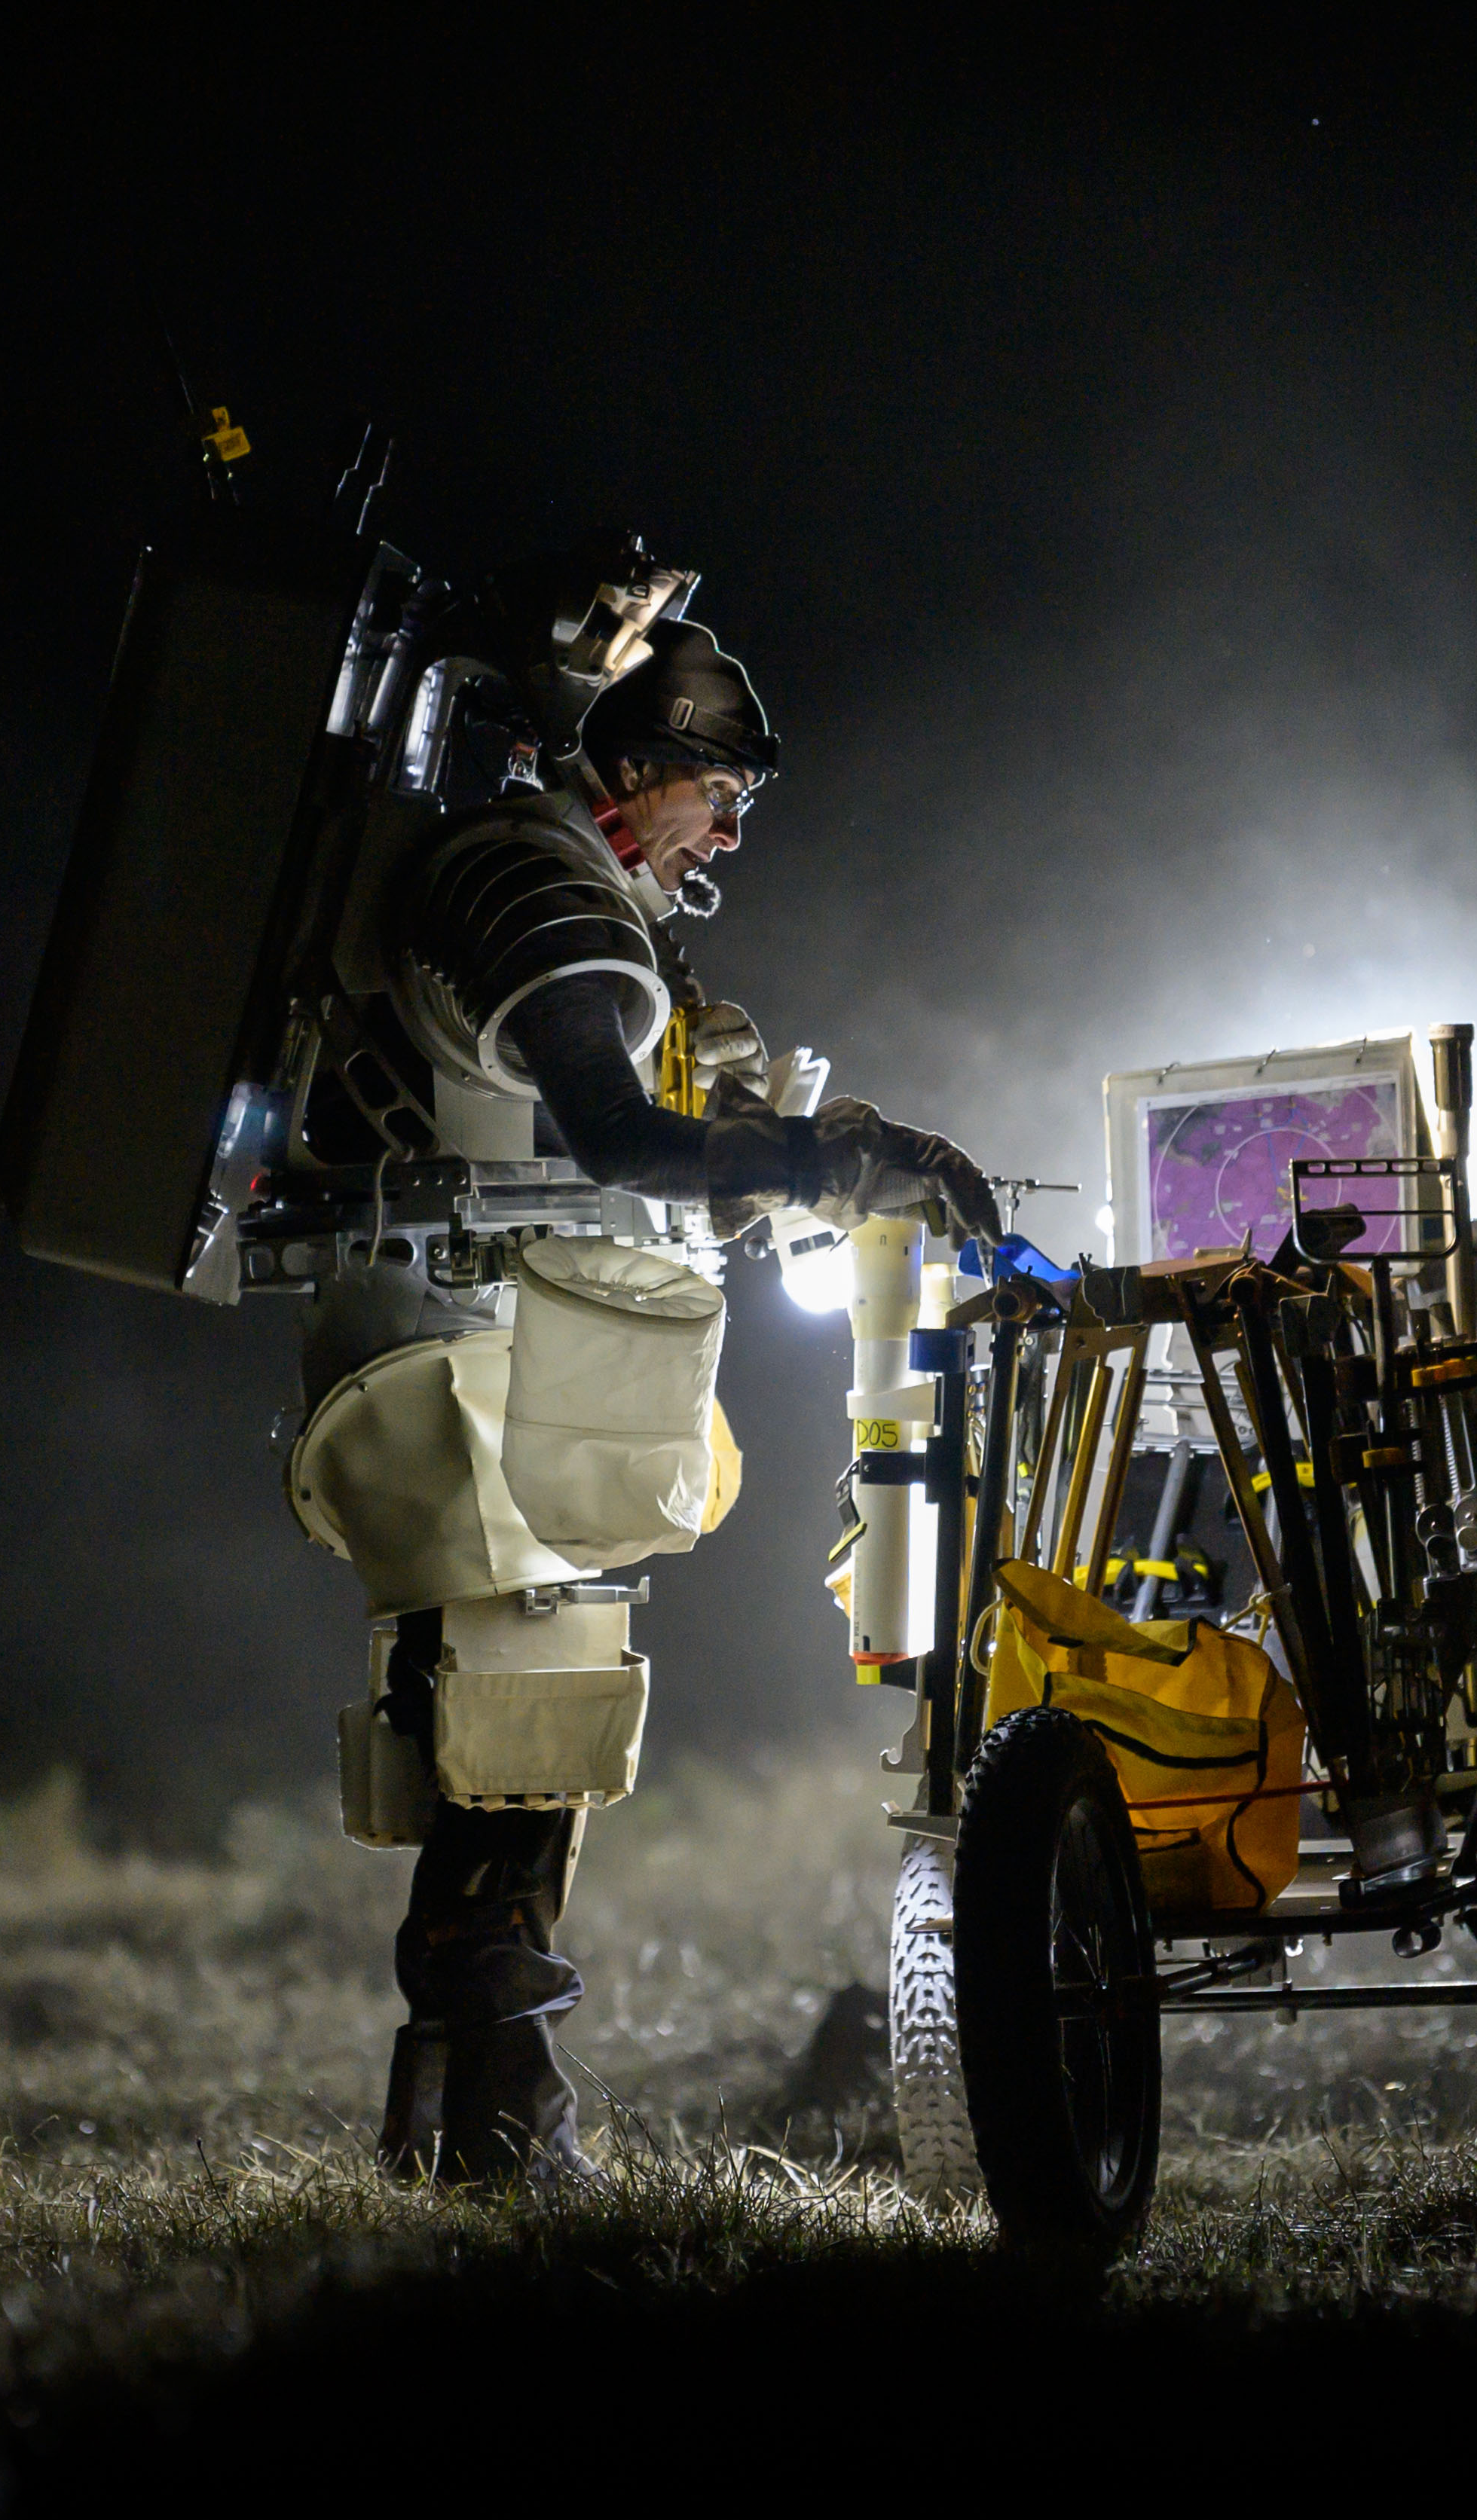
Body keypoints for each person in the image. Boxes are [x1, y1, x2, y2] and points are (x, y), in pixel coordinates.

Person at [311, 580, 1005, 2179]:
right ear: (627, 768)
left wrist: (789, 1150)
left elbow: (640, 1123)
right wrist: (840, 1159)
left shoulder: (560, 892)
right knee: (523, 1716)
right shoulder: (531, 885)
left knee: (507, 1730)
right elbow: (616, 1135)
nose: (732, 830)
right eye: (722, 788)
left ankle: (452, 2127)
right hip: (460, 1352)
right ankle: (506, 2135)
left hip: (484, 1345)